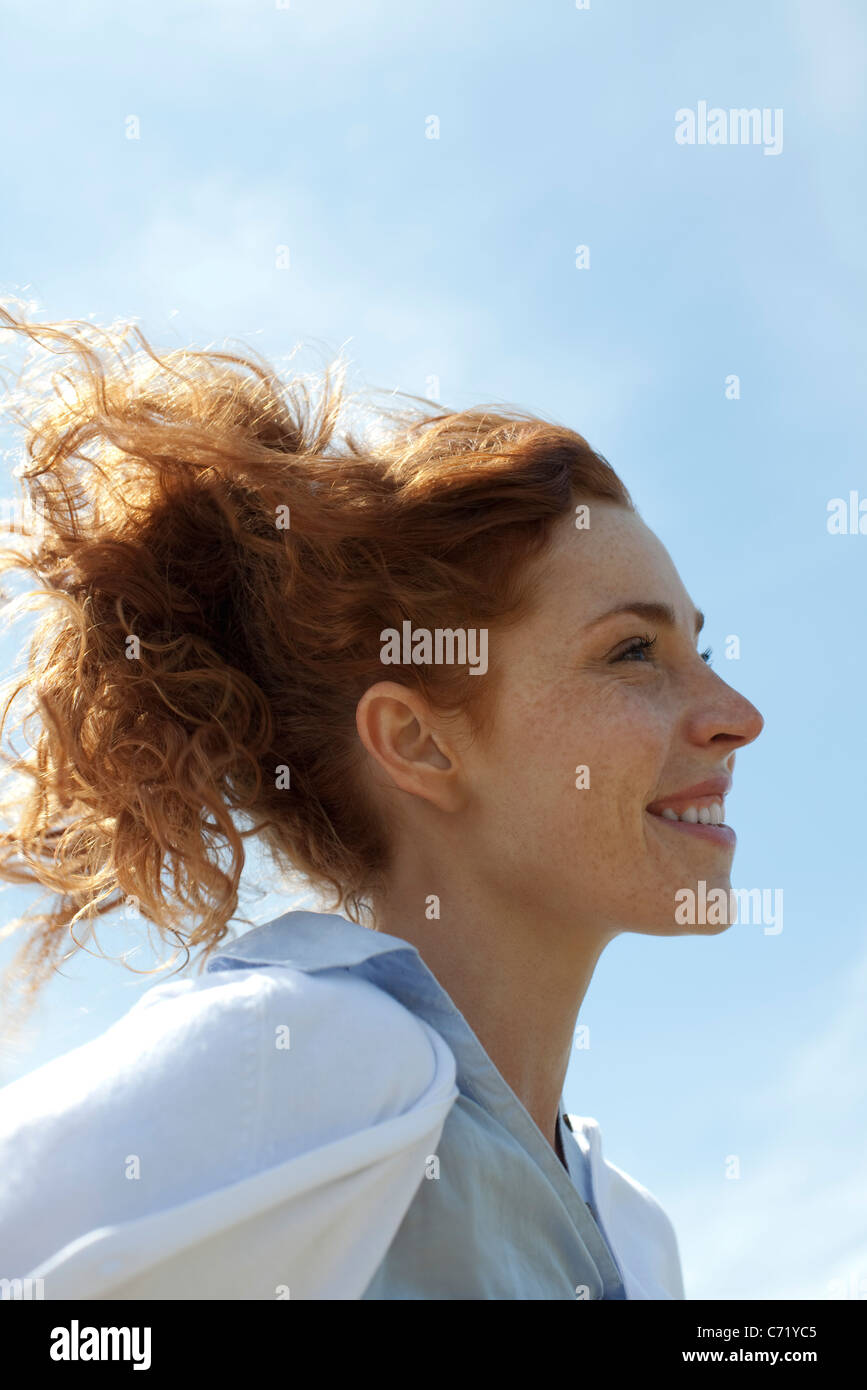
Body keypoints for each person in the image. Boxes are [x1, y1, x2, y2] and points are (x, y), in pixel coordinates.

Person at [0, 304, 763, 1300]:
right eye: (633, 653)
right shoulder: (327, 1056)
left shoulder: (637, 1236)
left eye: (699, 651)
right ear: (419, 741)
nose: (735, 715)